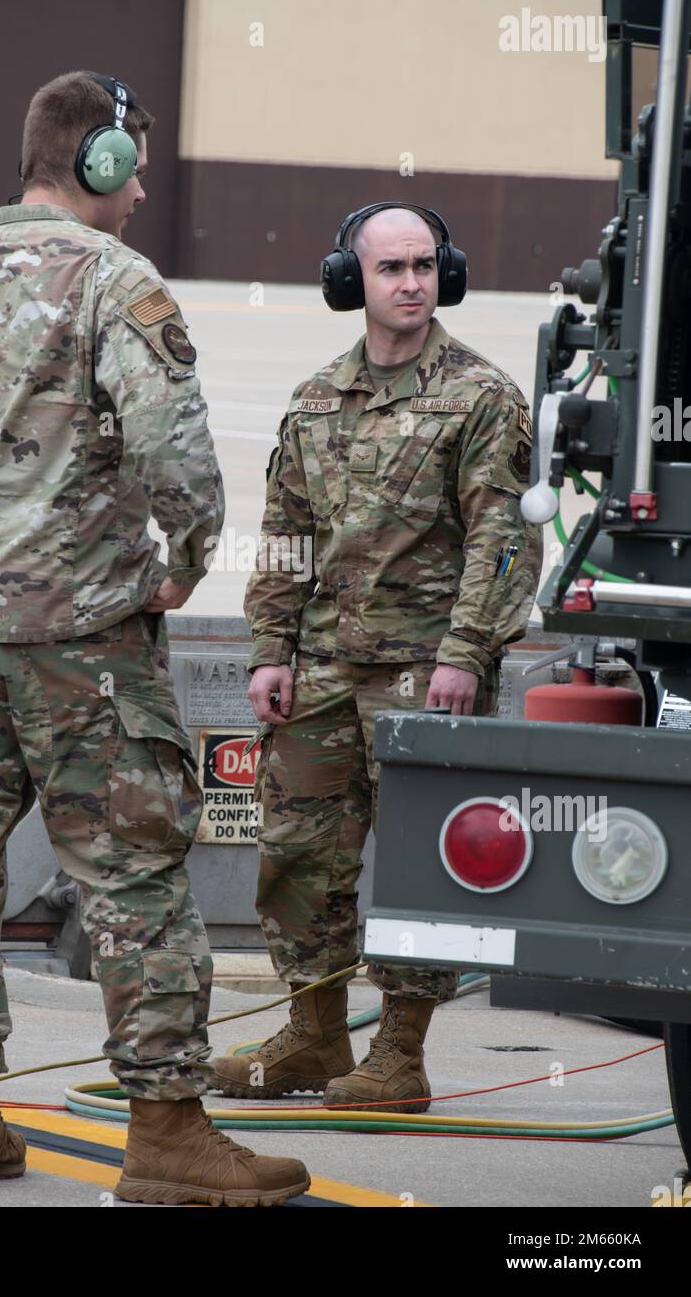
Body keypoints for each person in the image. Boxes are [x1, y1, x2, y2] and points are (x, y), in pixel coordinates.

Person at [0, 69, 308, 1205]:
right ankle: (165, 1132)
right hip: (85, 641)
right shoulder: (119, 282)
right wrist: (187, 562)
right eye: (135, 161)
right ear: (97, 163)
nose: (145, 183)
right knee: (133, 868)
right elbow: (175, 452)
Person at [210, 203, 543, 1111]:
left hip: (424, 674)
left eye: (425, 266)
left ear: (447, 274)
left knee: (416, 864)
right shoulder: (317, 397)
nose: (410, 283)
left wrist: (467, 652)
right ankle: (315, 1036)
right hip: (320, 670)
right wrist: (270, 647)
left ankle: (399, 1053)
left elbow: (503, 539)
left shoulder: (481, 396)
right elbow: (286, 533)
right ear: (351, 279)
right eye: (391, 268)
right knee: (297, 859)